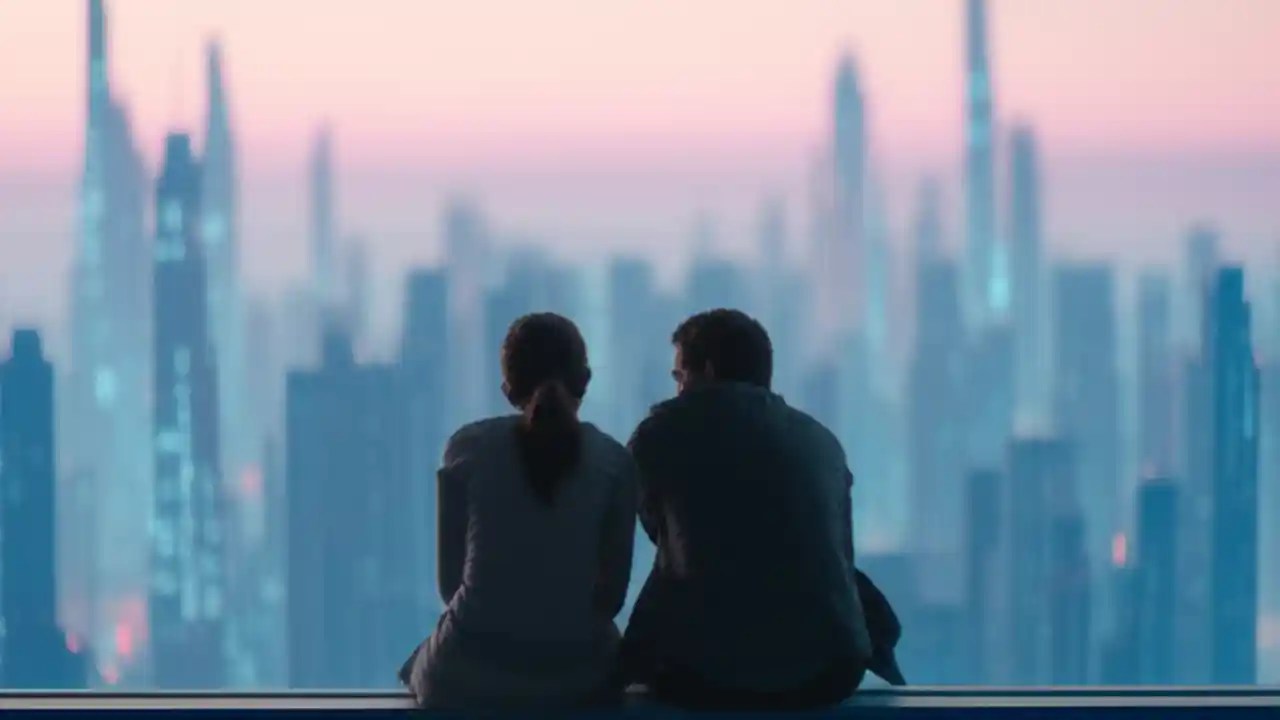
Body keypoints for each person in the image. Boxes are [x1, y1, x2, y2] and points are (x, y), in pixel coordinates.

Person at [622, 308, 880, 710]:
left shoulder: (661, 433)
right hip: (832, 671)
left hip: (703, 675)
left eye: (679, 377)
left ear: (705, 370)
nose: (677, 390)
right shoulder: (821, 441)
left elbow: (662, 534)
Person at [399, 313, 638, 710]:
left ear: (508, 389)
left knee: (416, 663)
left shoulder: (467, 448)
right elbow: (611, 598)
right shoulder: (614, 462)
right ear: (585, 380)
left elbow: (449, 586)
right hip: (577, 683)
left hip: (464, 678)